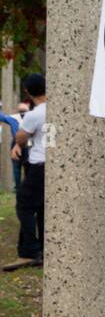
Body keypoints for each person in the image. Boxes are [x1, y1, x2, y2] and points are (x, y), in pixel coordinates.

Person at [5, 75, 46, 270]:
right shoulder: (57, 110)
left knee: (24, 203)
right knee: (42, 207)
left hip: (39, 165)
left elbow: (21, 136)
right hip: (53, 165)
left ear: (27, 92)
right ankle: (45, 248)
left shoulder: (34, 114)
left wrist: (17, 144)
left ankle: (30, 250)